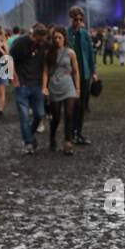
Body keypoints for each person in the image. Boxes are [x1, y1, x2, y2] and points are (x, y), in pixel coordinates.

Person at [10, 23, 49, 154]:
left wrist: (44, 85)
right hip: (22, 85)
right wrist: (12, 79)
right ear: (34, 35)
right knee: (24, 116)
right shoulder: (19, 42)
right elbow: (7, 59)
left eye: (42, 40)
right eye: (39, 39)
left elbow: (46, 64)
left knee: (39, 114)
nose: (40, 42)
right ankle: (28, 143)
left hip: (37, 84)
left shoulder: (44, 44)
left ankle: (29, 135)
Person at [44, 25, 80, 155]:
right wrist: (44, 87)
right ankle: (52, 137)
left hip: (68, 85)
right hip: (54, 85)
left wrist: (77, 88)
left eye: (59, 37)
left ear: (64, 38)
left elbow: (76, 71)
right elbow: (45, 72)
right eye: (55, 38)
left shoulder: (71, 53)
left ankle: (68, 142)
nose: (57, 40)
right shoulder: (49, 53)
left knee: (69, 114)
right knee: (56, 116)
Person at [68, 7, 96, 145]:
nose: (78, 22)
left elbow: (91, 54)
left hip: (84, 75)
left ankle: (78, 133)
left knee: (81, 106)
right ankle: (70, 133)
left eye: (80, 19)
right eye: (75, 19)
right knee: (71, 106)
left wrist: (94, 72)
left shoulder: (85, 35)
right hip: (69, 76)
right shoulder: (65, 34)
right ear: (71, 19)